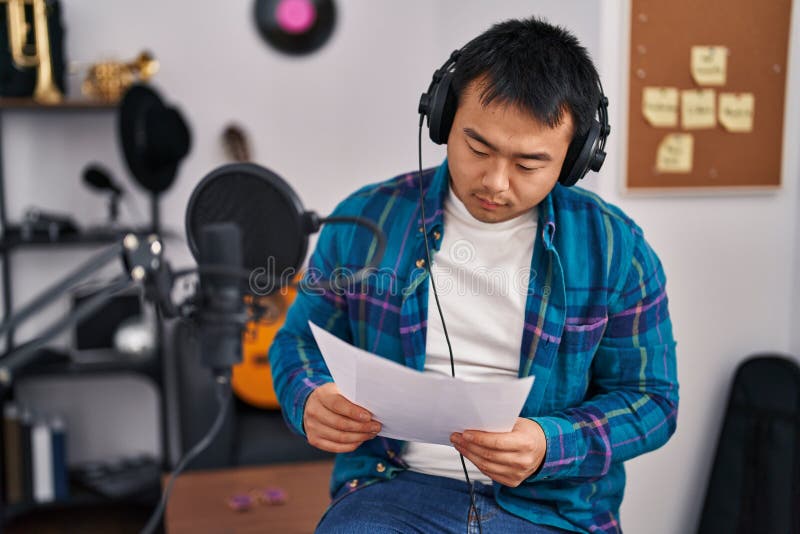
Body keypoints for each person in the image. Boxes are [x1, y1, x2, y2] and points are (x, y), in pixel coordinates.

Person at [269, 16, 678, 534]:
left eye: (529, 165)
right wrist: (308, 397)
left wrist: (551, 442)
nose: (496, 182)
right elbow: (296, 343)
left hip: (552, 509)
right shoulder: (365, 220)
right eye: (477, 148)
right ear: (442, 117)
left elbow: (653, 401)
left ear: (575, 159)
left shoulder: (616, 248)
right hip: (393, 490)